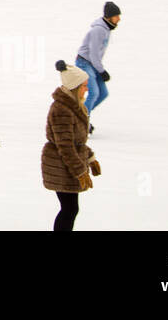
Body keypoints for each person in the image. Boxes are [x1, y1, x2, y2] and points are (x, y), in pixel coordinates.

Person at [42, 60, 99, 231]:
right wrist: (80, 171)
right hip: (61, 166)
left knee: (70, 209)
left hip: (68, 165)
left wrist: (90, 158)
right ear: (75, 87)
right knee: (69, 209)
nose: (87, 89)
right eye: (84, 86)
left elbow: (77, 142)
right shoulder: (62, 110)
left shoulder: (74, 107)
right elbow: (65, 146)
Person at [76, 2, 121, 124]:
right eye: (116, 16)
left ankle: (83, 114)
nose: (119, 19)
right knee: (94, 92)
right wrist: (102, 71)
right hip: (84, 62)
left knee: (103, 93)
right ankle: (82, 119)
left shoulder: (106, 29)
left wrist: (99, 69)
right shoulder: (99, 30)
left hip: (93, 64)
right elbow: (93, 54)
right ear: (109, 16)